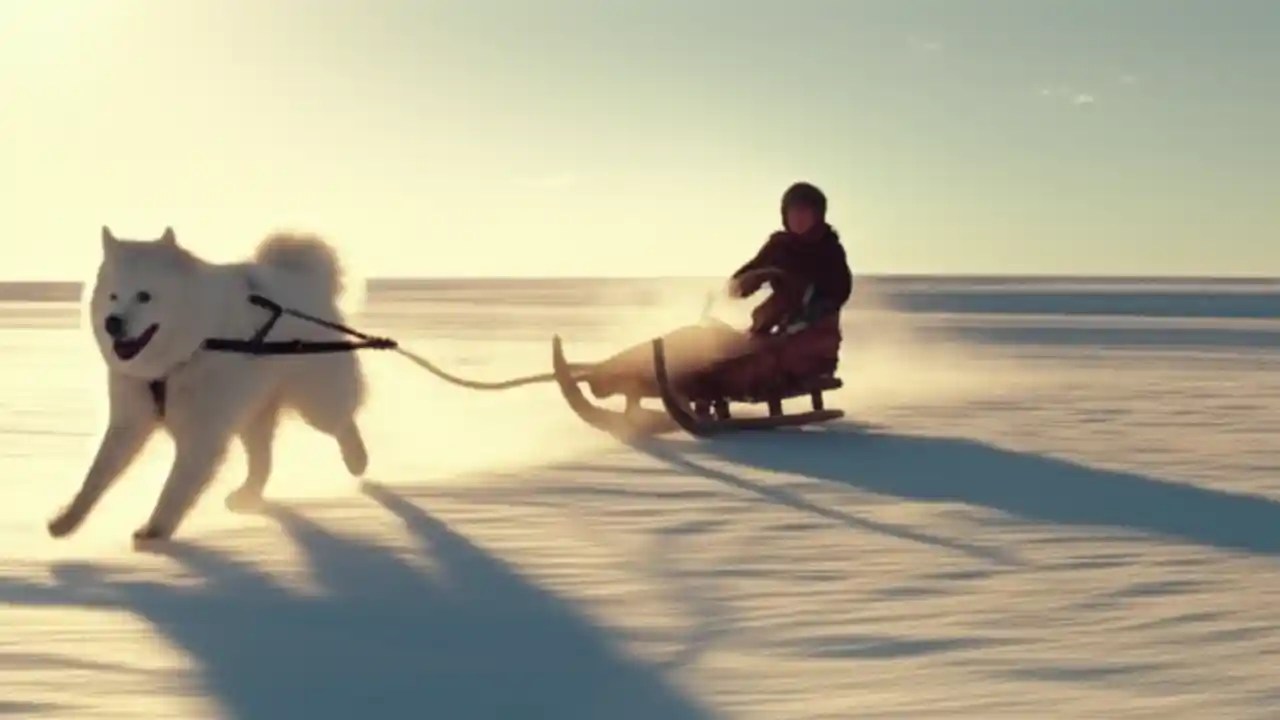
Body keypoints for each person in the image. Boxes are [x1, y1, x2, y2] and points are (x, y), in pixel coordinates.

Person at [585, 181, 853, 403]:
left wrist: (809, 309)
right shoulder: (780, 246)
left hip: (808, 346)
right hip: (768, 334)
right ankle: (614, 371)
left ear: (818, 215)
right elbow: (752, 270)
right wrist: (737, 286)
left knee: (723, 368)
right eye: (793, 212)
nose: (798, 218)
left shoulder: (828, 250)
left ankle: (662, 385)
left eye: (805, 212)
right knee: (695, 340)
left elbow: (838, 290)